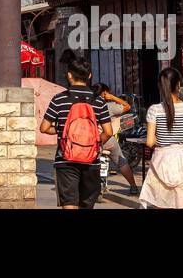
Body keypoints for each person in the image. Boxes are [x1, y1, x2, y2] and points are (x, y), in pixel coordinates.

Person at [40, 56, 112, 209]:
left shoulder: (59, 99)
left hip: (65, 159)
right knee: (86, 204)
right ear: (90, 76)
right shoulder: (99, 101)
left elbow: (44, 128)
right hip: (91, 161)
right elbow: (108, 132)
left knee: (69, 204)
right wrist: (94, 144)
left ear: (69, 75)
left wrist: (61, 131)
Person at [139, 66, 183, 209]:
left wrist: (161, 137)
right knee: (182, 202)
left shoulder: (154, 109)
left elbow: (149, 142)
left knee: (162, 202)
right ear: (179, 84)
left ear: (161, 86)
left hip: (162, 160)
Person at [91, 80, 138, 192]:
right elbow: (127, 106)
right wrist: (112, 97)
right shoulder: (109, 106)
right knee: (121, 161)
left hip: (90, 139)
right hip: (107, 139)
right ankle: (133, 186)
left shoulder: (89, 104)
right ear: (104, 93)